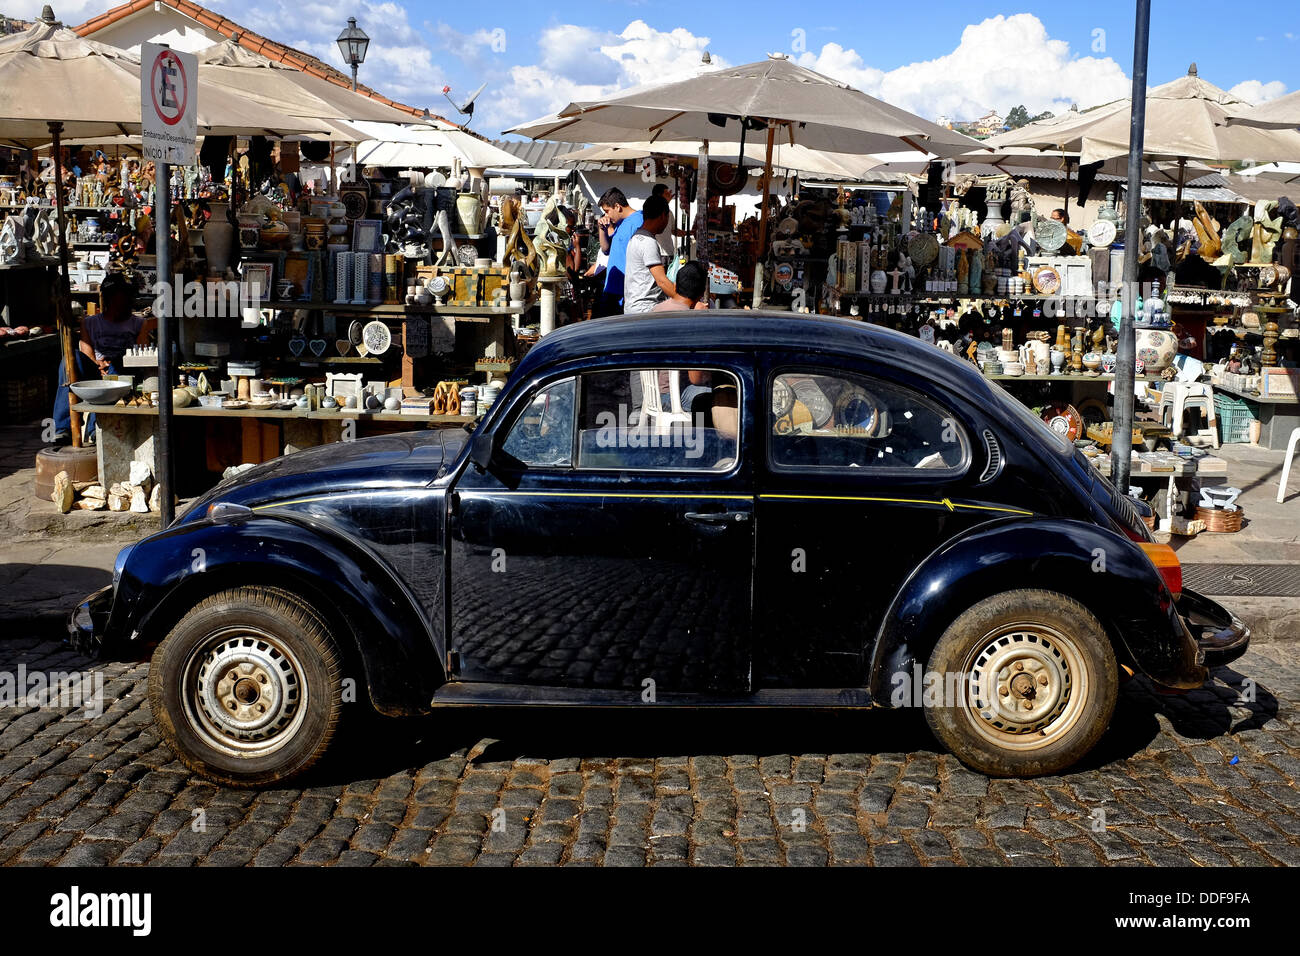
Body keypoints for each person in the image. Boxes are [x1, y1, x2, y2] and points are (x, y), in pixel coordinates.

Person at [52, 272, 154, 442]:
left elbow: (141, 351)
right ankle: (63, 427)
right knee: (69, 361)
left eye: (123, 298)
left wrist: (113, 366)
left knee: (119, 361)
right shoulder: (89, 322)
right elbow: (86, 350)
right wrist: (99, 366)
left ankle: (94, 428)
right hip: (96, 367)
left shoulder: (138, 323)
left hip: (124, 373)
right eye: (116, 298)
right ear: (108, 299)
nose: (120, 303)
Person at [622, 194, 676, 314]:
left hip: (634, 307)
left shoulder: (636, 237)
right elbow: (662, 281)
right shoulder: (648, 242)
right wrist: (686, 301)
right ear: (663, 216)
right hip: (644, 310)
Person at [595, 188, 641, 316]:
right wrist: (602, 229)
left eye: (607, 211)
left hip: (624, 291)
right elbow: (605, 249)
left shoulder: (638, 222)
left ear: (617, 206)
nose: (606, 215)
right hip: (612, 288)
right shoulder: (620, 223)